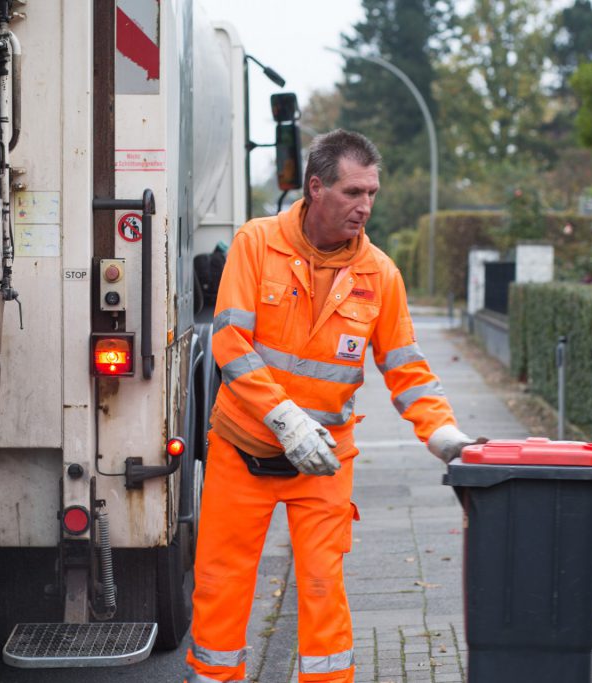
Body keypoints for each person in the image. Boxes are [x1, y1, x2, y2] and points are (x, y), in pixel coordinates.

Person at [184, 129, 474, 683]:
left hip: (323, 461)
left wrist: (444, 436)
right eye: (352, 193)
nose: (364, 207)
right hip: (242, 450)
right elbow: (230, 345)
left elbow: (407, 369)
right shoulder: (256, 243)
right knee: (221, 584)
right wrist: (284, 417)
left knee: (322, 589)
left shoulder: (379, 275)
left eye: (372, 194)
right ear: (316, 188)